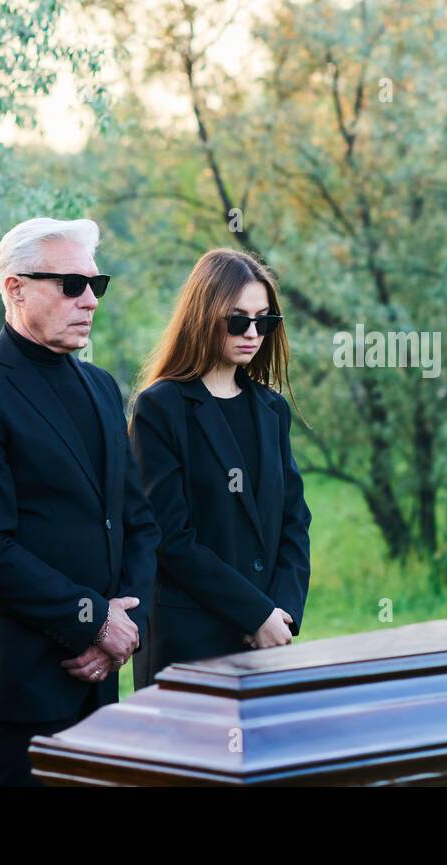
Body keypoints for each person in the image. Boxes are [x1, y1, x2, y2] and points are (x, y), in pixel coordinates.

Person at [0, 217, 158, 786]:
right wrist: (90, 622)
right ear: (15, 287)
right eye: (72, 285)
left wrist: (122, 629)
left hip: (104, 680)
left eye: (96, 285)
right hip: (26, 685)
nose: (90, 301)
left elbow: (138, 523)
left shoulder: (103, 386)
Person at [130, 248, 311, 687]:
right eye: (238, 320)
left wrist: (280, 613)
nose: (253, 333)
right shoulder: (161, 408)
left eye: (264, 321)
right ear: (204, 315)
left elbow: (294, 521)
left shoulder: (271, 409)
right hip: (189, 642)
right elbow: (172, 539)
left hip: (268, 641)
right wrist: (255, 611)